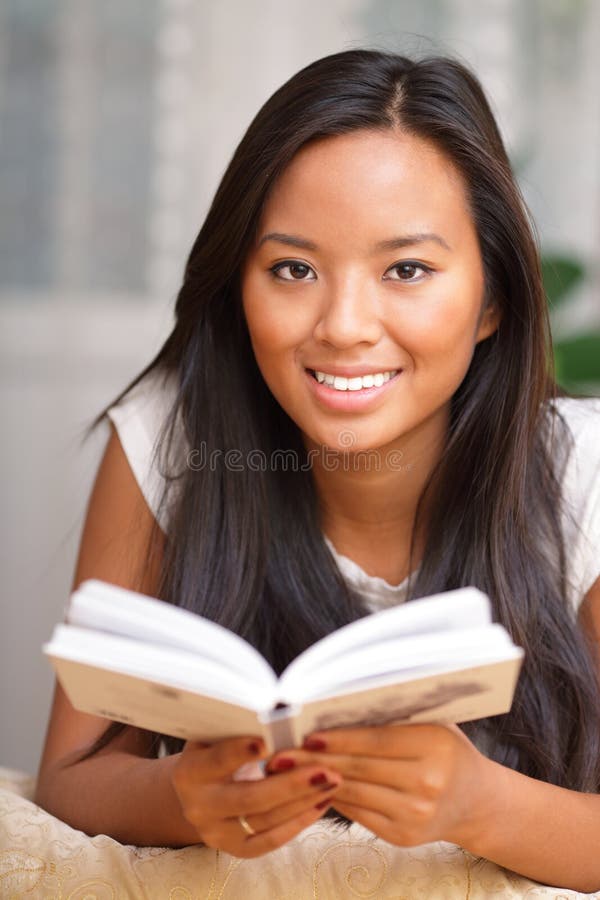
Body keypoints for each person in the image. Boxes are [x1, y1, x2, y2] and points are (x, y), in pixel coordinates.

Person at [34, 48, 600, 892]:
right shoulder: (168, 442)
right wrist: (186, 797)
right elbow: (72, 773)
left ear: (492, 302)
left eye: (406, 270)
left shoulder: (585, 474)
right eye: (292, 269)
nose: (342, 326)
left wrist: (478, 803)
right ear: (240, 286)